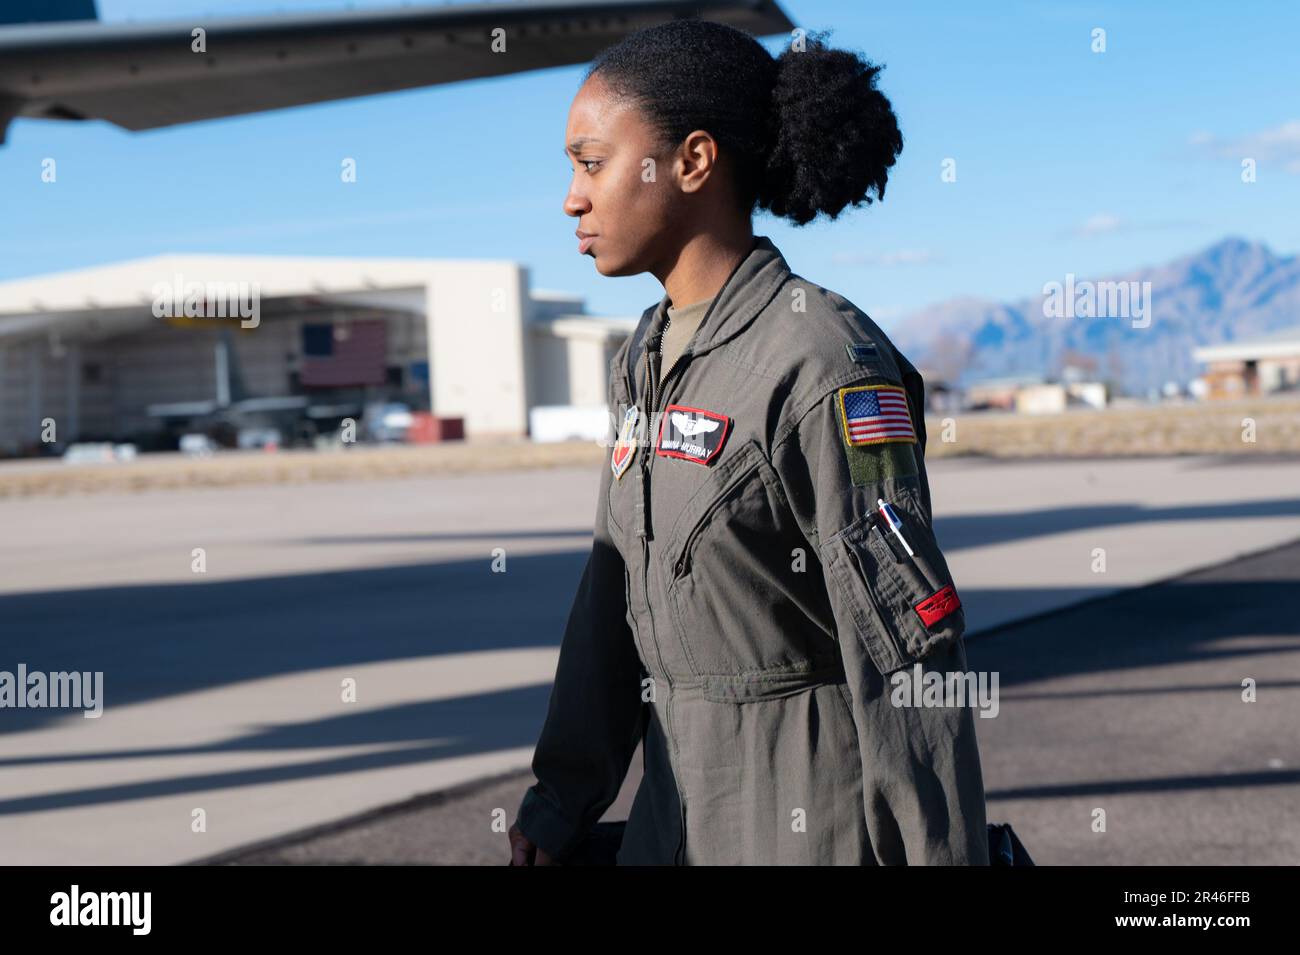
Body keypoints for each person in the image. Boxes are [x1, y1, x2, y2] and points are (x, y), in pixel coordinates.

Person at [509, 18, 989, 866]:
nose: (572, 198)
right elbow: (608, 598)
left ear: (692, 162)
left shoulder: (823, 359)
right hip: (673, 822)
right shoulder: (645, 357)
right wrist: (560, 802)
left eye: (592, 162)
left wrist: (941, 853)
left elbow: (906, 646)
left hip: (809, 819)